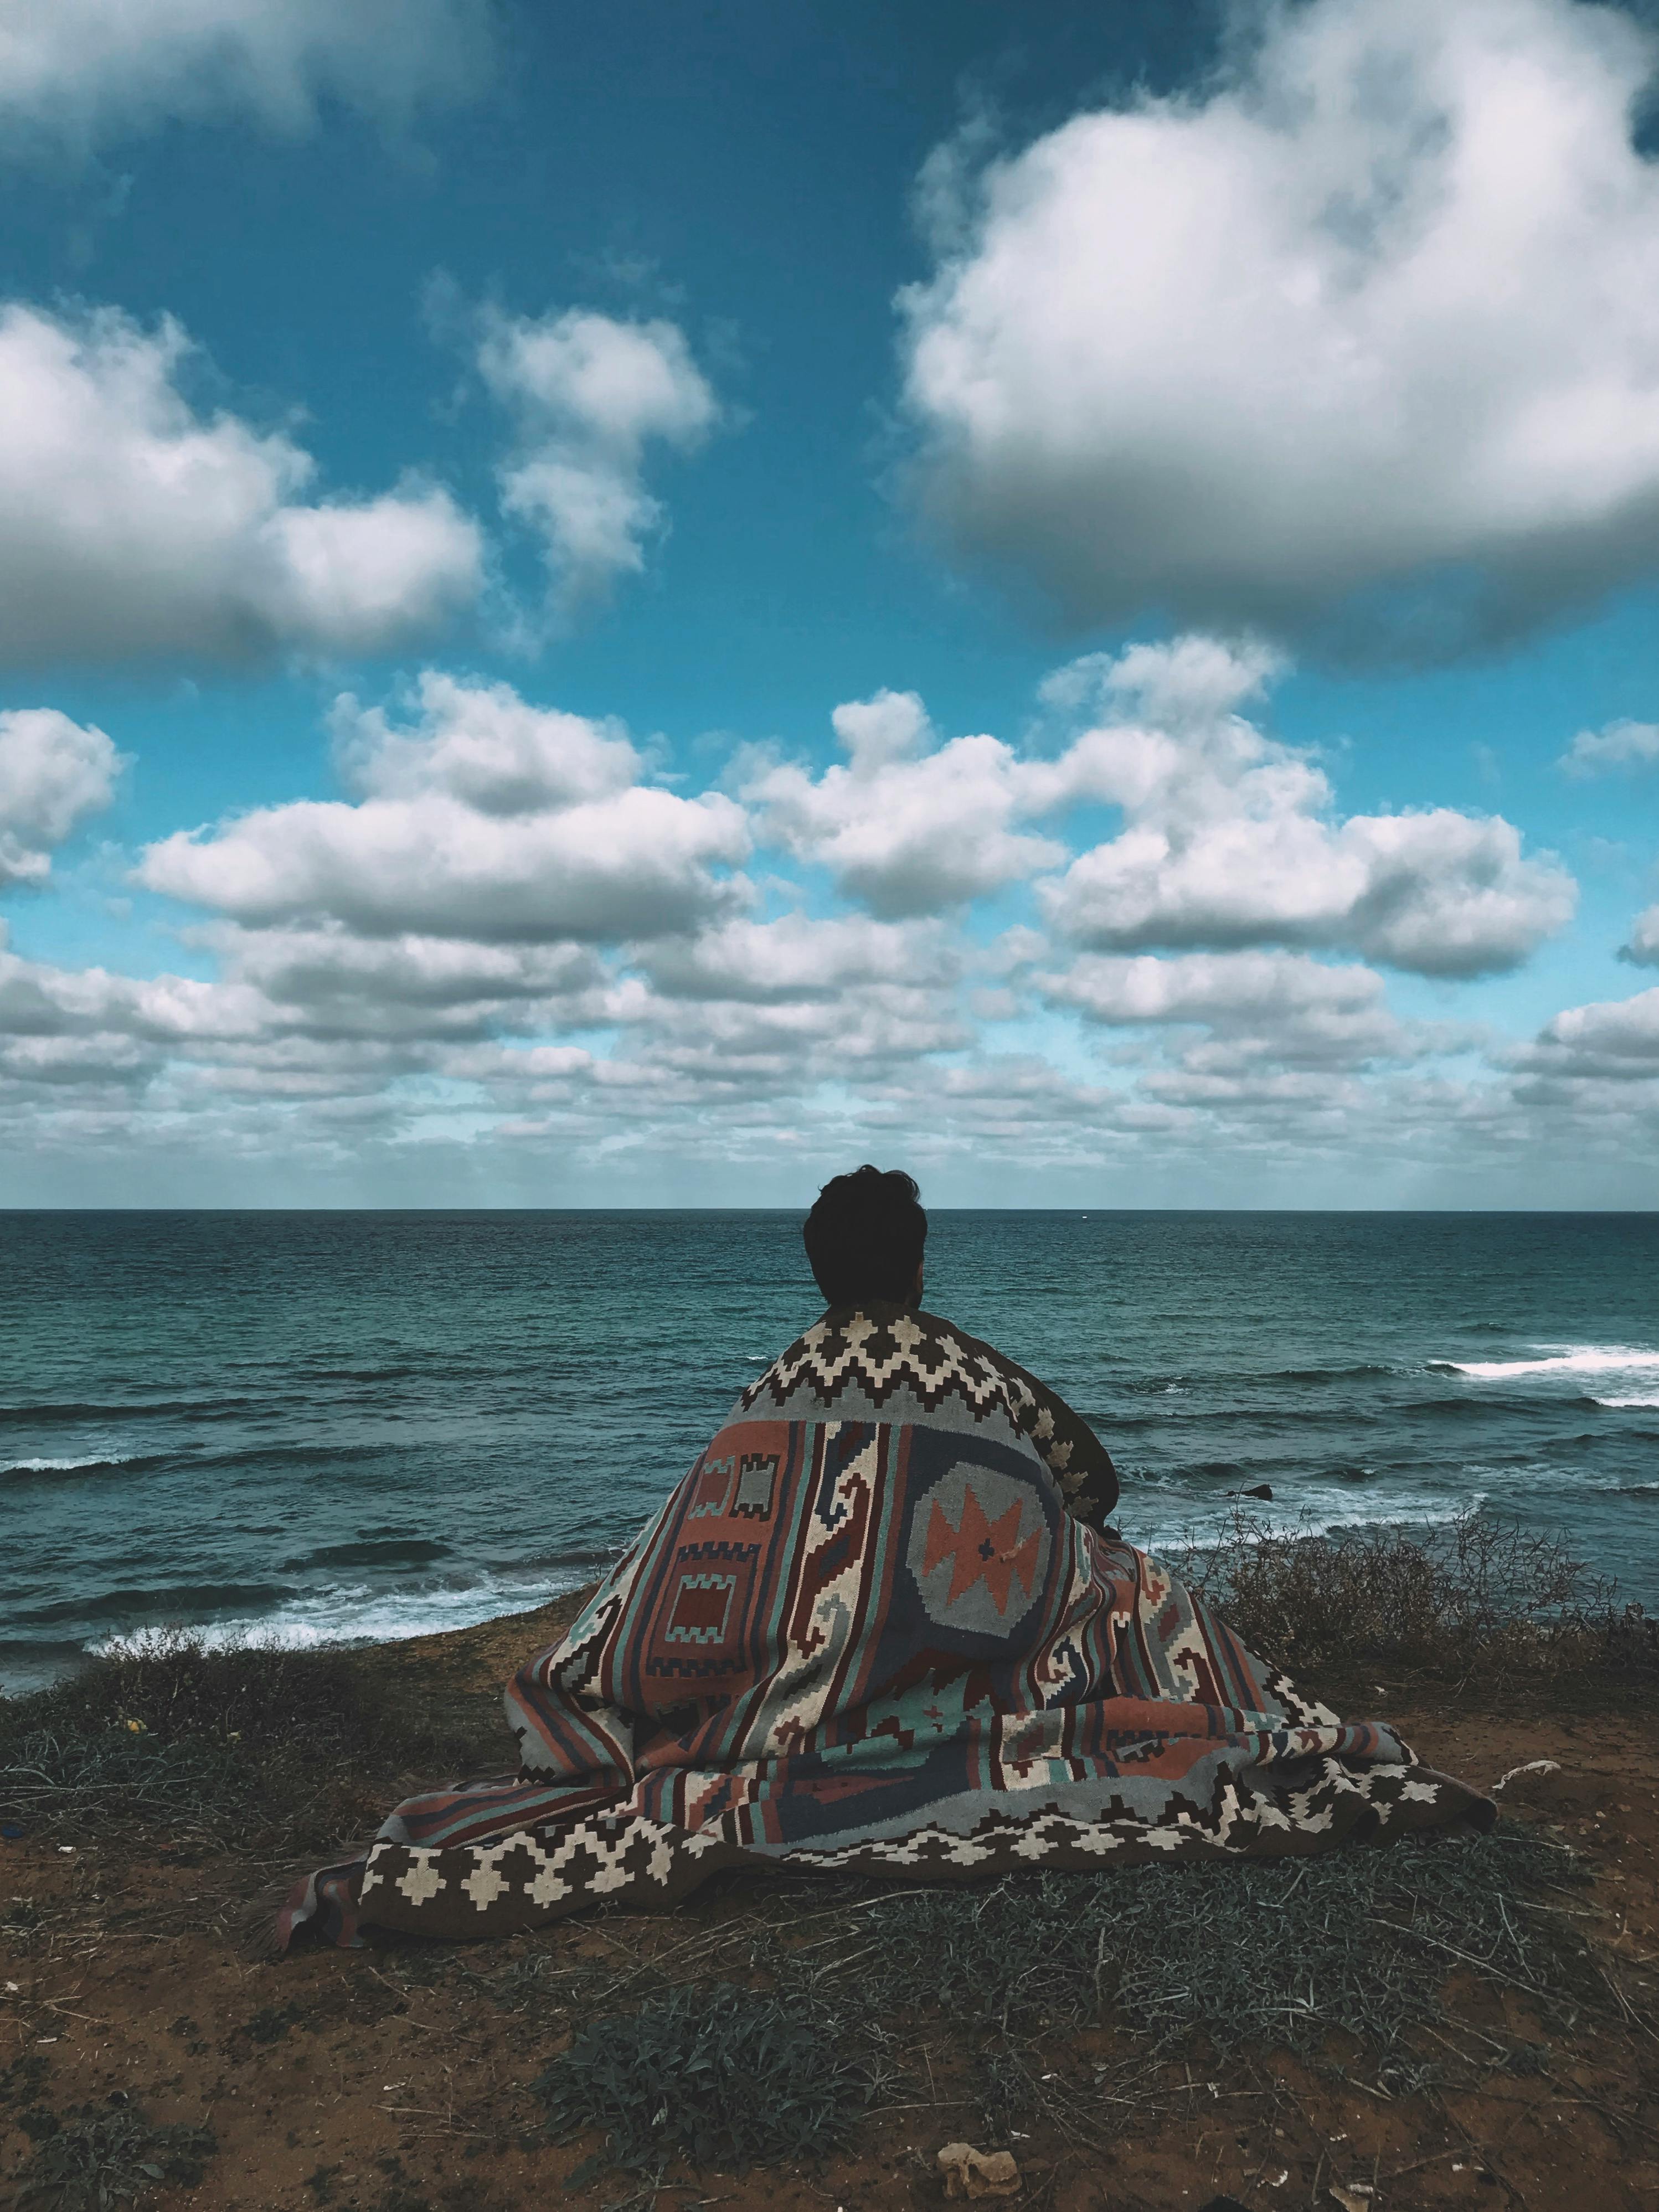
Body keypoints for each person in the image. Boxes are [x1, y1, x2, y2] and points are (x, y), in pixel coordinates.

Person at [280, 1167, 1489, 1950]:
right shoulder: (971, 1375)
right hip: (957, 1669)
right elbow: (1086, 1488)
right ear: (917, 1266)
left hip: (769, 1695)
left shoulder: (766, 1396)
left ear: (818, 1271)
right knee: (1132, 1587)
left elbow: (673, 1554)